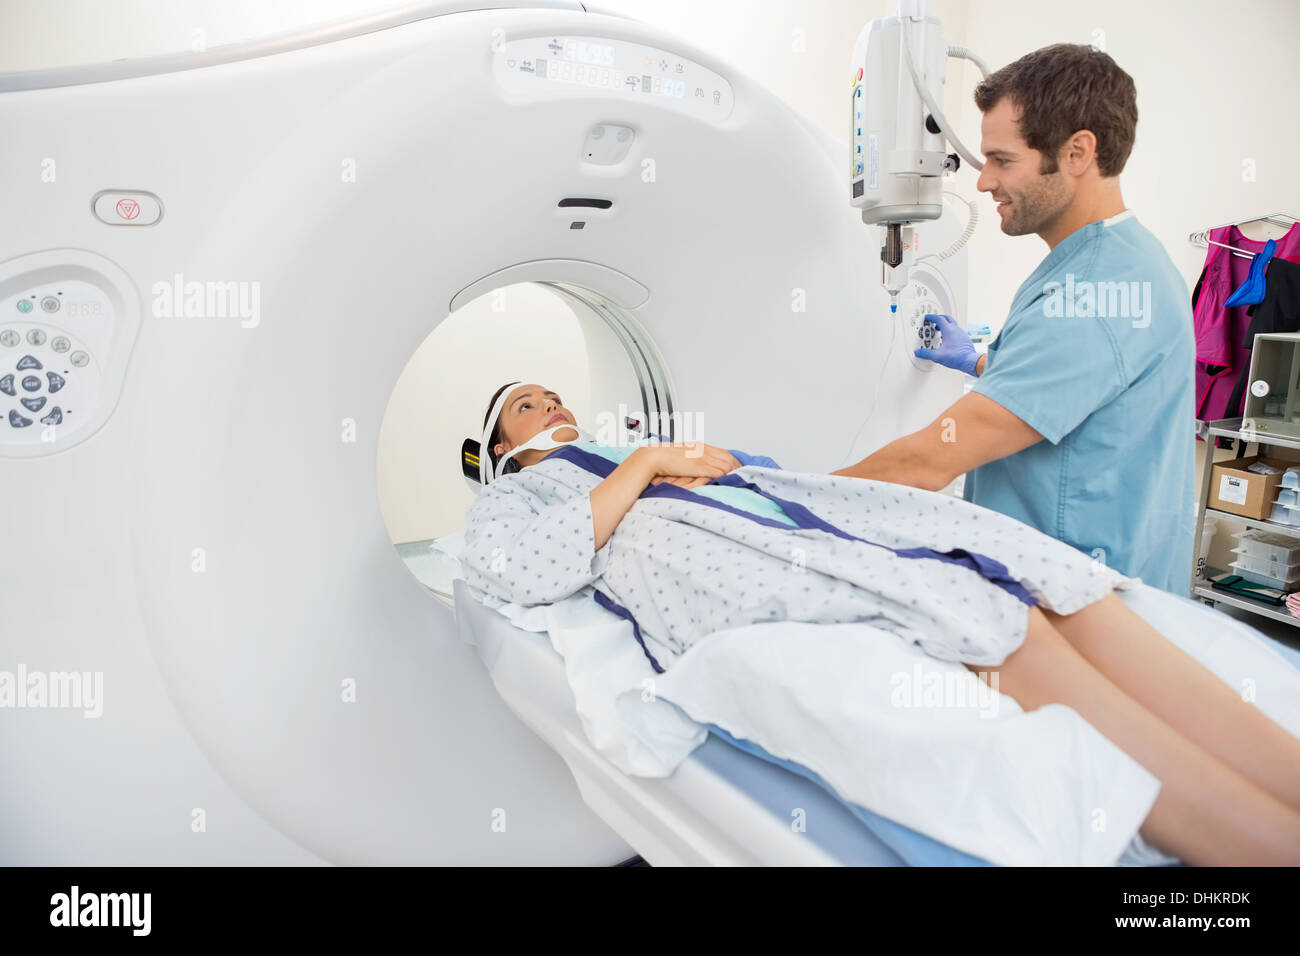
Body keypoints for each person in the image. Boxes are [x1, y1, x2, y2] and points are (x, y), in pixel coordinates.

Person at [460, 382, 1300, 866]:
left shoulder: (642, 447)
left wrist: (687, 462)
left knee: (1042, 577)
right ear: (502, 446)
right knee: (994, 621)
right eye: (529, 404)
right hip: (687, 549)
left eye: (556, 392)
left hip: (774, 512)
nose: (553, 402)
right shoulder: (518, 495)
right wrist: (646, 466)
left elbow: (760, 475)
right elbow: (525, 571)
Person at [832, 44, 1195, 595]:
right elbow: (1085, 393)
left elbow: (928, 463)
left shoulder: (1093, 291)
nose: (983, 182)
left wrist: (766, 499)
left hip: (1076, 603)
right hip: (1106, 582)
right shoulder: (1126, 261)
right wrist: (983, 361)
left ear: (1077, 153)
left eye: (1003, 160)